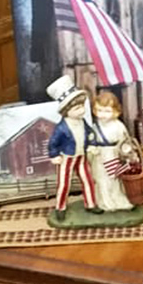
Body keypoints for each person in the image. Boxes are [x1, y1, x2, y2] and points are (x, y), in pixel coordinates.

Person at [47, 75, 103, 221]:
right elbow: (53, 142)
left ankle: (90, 204)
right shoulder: (61, 128)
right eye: (77, 108)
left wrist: (92, 145)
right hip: (67, 157)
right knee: (64, 183)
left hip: (81, 157)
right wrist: (54, 155)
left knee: (87, 180)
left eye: (82, 107)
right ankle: (60, 207)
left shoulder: (82, 121)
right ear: (67, 110)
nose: (82, 111)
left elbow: (90, 133)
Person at [89, 90, 140, 212]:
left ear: (116, 111)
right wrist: (92, 149)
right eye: (100, 110)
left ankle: (118, 200)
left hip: (114, 154)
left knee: (115, 178)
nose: (103, 114)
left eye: (107, 111)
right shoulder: (94, 127)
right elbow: (90, 141)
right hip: (99, 155)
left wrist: (128, 154)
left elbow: (125, 142)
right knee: (101, 179)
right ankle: (104, 202)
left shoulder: (118, 126)